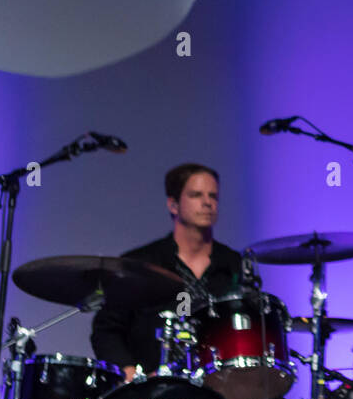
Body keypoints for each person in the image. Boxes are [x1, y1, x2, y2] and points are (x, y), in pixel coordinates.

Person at [90, 163, 245, 381]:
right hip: (151, 392)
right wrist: (129, 372)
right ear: (173, 205)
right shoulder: (140, 264)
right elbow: (107, 330)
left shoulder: (233, 265)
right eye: (196, 195)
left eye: (213, 196)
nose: (207, 202)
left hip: (217, 391)